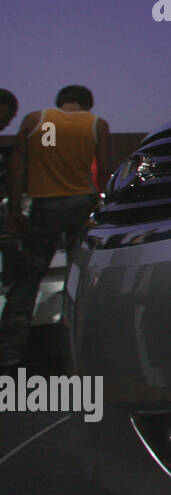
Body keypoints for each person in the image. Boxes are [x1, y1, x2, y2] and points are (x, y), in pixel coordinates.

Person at [1, 85, 111, 370]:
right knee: (84, 281)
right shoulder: (97, 124)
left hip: (44, 208)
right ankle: (88, 353)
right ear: (87, 104)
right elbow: (104, 170)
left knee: (26, 282)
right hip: (80, 206)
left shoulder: (35, 119)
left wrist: (15, 209)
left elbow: (16, 166)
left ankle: (7, 357)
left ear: (60, 102)